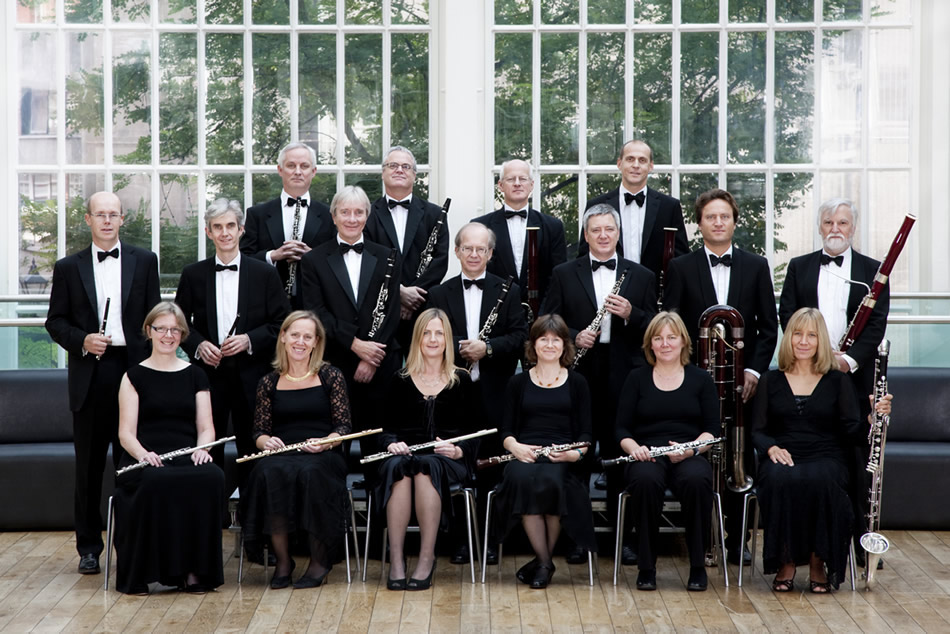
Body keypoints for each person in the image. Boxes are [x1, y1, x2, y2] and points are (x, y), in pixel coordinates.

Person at [45, 191, 161, 576]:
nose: (107, 221)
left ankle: (131, 544)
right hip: (90, 371)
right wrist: (82, 340)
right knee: (90, 467)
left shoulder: (145, 261)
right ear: (88, 219)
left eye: (114, 214)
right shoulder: (67, 267)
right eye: (100, 214)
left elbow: (155, 317)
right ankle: (89, 548)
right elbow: (55, 321)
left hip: (133, 371)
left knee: (133, 462)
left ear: (122, 219)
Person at [662, 187, 778, 565]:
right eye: (710, 217)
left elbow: (768, 327)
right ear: (699, 224)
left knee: (737, 459)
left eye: (724, 216)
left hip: (742, 385)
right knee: (703, 459)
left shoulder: (756, 265)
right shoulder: (681, 267)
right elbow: (673, 325)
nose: (717, 222)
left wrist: (752, 370)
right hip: (696, 384)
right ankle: (703, 538)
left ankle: (736, 538)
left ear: (734, 222)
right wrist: (688, 374)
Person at [777, 199, 890, 564]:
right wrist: (811, 357)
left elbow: (875, 326)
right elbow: (789, 316)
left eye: (843, 222)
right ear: (820, 226)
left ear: (853, 228)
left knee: (857, 463)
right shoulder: (799, 267)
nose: (835, 228)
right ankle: (809, 546)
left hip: (851, 379)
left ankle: (860, 544)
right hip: (806, 375)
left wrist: (847, 361)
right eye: (828, 222)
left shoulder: (874, 272)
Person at [751, 307, 884, 593]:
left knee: (823, 480)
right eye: (797, 333)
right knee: (778, 479)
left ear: (820, 340)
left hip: (827, 454)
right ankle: (786, 560)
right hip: (783, 452)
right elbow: (757, 431)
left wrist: (872, 418)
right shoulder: (770, 380)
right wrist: (771, 447)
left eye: (811, 335)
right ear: (788, 338)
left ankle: (817, 561)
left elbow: (852, 430)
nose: (803, 341)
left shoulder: (838, 380)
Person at [425, 222, 527, 564]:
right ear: (456, 251)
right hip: (453, 394)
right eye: (467, 248)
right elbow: (429, 338)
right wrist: (458, 348)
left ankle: (490, 540)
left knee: (492, 469)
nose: (473, 254)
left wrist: (488, 348)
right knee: (453, 464)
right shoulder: (439, 293)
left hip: (495, 393)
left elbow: (519, 336)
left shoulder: (508, 290)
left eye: (480, 249)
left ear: (490, 254)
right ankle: (459, 540)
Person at [113, 302, 225, 594]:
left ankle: (193, 571)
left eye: (175, 330)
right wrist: (143, 455)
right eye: (161, 329)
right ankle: (144, 572)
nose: (168, 335)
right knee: (155, 480)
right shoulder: (133, 376)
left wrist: (203, 449)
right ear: (149, 332)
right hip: (144, 457)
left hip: (186, 454)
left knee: (212, 476)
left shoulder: (196, 375)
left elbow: (206, 427)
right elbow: (126, 433)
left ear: (183, 335)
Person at [239, 311, 352, 589]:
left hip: (323, 454)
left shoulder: (331, 376)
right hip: (283, 453)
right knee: (268, 472)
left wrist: (327, 441)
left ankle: (319, 560)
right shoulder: (268, 381)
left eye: (307, 336)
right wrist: (267, 442)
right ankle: (283, 561)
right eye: (295, 335)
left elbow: (344, 427)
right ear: (283, 337)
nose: (300, 341)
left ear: (316, 342)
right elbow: (259, 432)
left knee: (312, 473)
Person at [176, 198, 290, 473]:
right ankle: (210, 515)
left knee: (253, 454)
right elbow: (177, 323)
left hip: (254, 376)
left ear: (241, 230)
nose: (225, 232)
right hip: (208, 377)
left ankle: (252, 516)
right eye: (218, 227)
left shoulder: (264, 273)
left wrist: (249, 340)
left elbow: (282, 323)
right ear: (208, 232)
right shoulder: (193, 274)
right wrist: (199, 344)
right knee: (206, 452)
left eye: (230, 226)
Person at [614, 311, 719, 592]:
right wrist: (635, 449)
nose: (665, 343)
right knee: (645, 480)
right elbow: (621, 429)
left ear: (684, 341)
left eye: (671, 337)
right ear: (650, 345)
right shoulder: (636, 378)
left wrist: (691, 449)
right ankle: (646, 567)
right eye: (658, 338)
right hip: (647, 453)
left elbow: (712, 430)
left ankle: (698, 566)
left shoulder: (701, 379)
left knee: (697, 481)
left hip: (689, 452)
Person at [374, 308, 477, 591]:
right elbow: (385, 431)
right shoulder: (400, 379)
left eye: (439, 333)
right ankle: (396, 558)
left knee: (426, 466)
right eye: (427, 333)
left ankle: (426, 556)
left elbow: (477, 433)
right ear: (417, 338)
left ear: (448, 340)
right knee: (399, 468)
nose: (433, 339)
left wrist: (458, 450)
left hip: (447, 460)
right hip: (405, 455)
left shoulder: (462, 380)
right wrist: (392, 443)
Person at [493, 314, 595, 589]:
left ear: (565, 345)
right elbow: (506, 431)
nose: (549, 345)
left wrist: (574, 455)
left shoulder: (577, 382)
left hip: (564, 455)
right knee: (522, 479)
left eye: (556, 340)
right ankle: (546, 562)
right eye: (543, 340)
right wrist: (514, 446)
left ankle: (541, 562)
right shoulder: (517, 383)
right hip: (525, 452)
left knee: (551, 481)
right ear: (533, 345)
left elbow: (586, 434)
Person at [298, 185, 402, 431]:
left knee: (378, 439)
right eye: (345, 212)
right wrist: (355, 345)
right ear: (334, 217)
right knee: (333, 439)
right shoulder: (313, 260)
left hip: (381, 361)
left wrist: (372, 358)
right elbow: (316, 313)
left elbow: (391, 311)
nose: (352, 219)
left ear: (367, 216)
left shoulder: (388, 256)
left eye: (358, 212)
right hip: (335, 359)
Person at [365, 146, 450, 352]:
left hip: (422, 310)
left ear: (414, 174)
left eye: (405, 166)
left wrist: (413, 297)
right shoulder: (366, 213)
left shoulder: (435, 214)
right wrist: (399, 292)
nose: (399, 170)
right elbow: (367, 260)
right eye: (392, 165)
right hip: (379, 310)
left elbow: (440, 260)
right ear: (383, 172)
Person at [579, 140, 688, 289]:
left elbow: (680, 258)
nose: (636, 165)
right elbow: (584, 254)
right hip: (607, 291)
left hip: (654, 294)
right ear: (619, 163)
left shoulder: (669, 207)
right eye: (630, 159)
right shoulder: (596, 205)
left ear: (650, 166)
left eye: (642, 160)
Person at [241, 142, 336, 309]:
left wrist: (312, 256)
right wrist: (273, 255)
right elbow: (243, 259)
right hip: (267, 306)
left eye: (304, 166)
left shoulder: (330, 216)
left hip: (315, 306)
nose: (298, 172)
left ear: (313, 172)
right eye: (291, 165)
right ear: (280, 170)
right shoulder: (257, 214)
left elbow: (338, 261)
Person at [472, 159, 567, 318]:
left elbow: (557, 277)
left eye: (522, 179)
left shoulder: (553, 226)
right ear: (500, 185)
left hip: (540, 318)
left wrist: (543, 316)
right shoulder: (480, 226)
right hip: (496, 317)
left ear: (532, 184)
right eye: (511, 179)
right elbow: (476, 274)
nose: (517, 183)